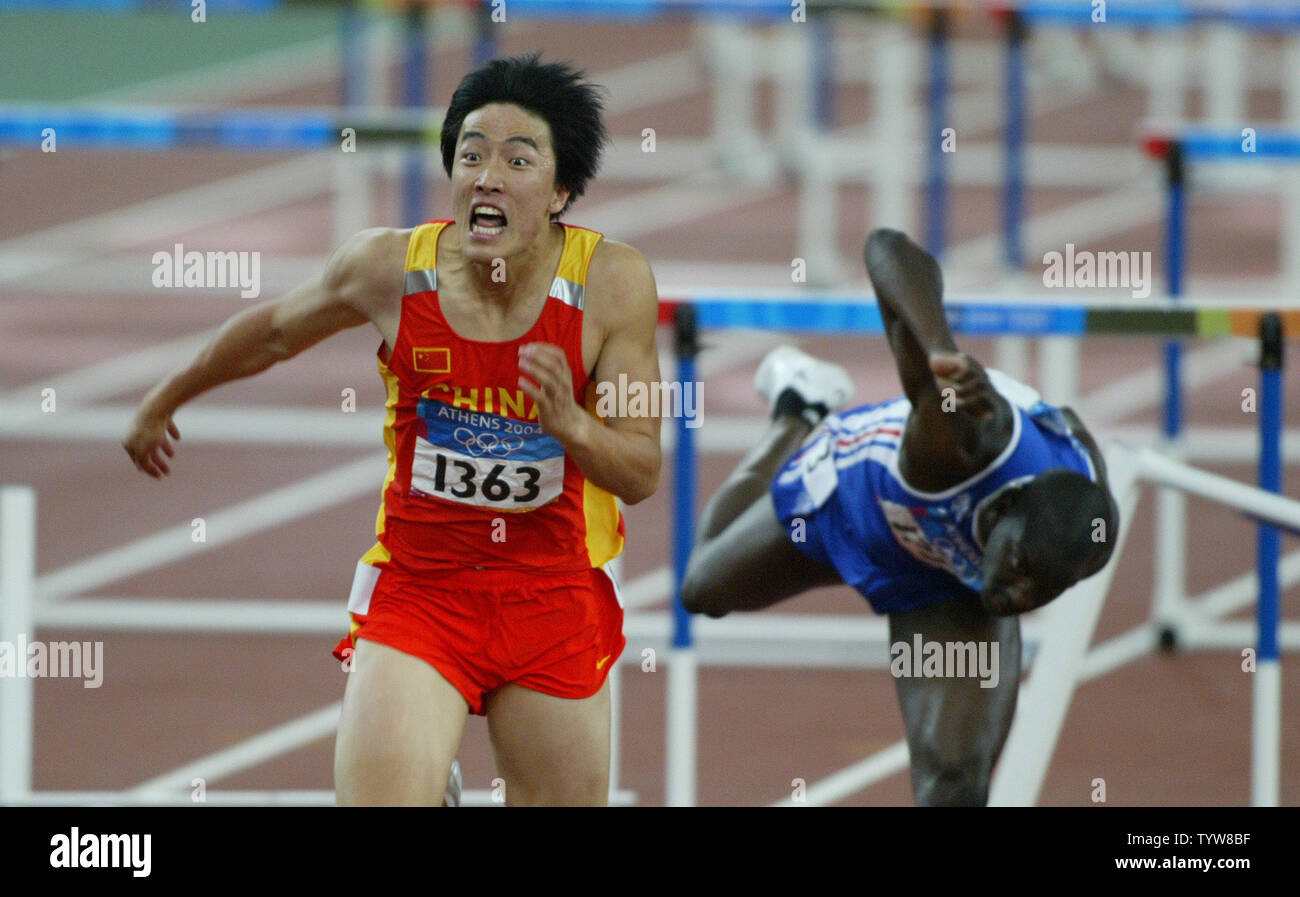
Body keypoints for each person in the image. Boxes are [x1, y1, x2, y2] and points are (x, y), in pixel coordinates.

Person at [123, 55, 662, 806]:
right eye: (471, 154)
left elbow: (640, 471)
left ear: (562, 191)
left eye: (517, 159)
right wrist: (165, 397)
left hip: (551, 597)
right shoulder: (389, 269)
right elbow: (275, 330)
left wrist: (571, 424)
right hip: (422, 589)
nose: (487, 176)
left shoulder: (613, 284)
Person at [681, 228, 1118, 806]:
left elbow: (1025, 561)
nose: (1016, 595)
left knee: (957, 780)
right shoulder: (960, 436)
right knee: (703, 588)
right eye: (1017, 567)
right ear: (1008, 503)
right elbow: (886, 248)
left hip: (945, 583)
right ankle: (799, 410)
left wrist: (1006, 570)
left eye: (1043, 591)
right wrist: (941, 351)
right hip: (848, 500)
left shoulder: (1080, 538)